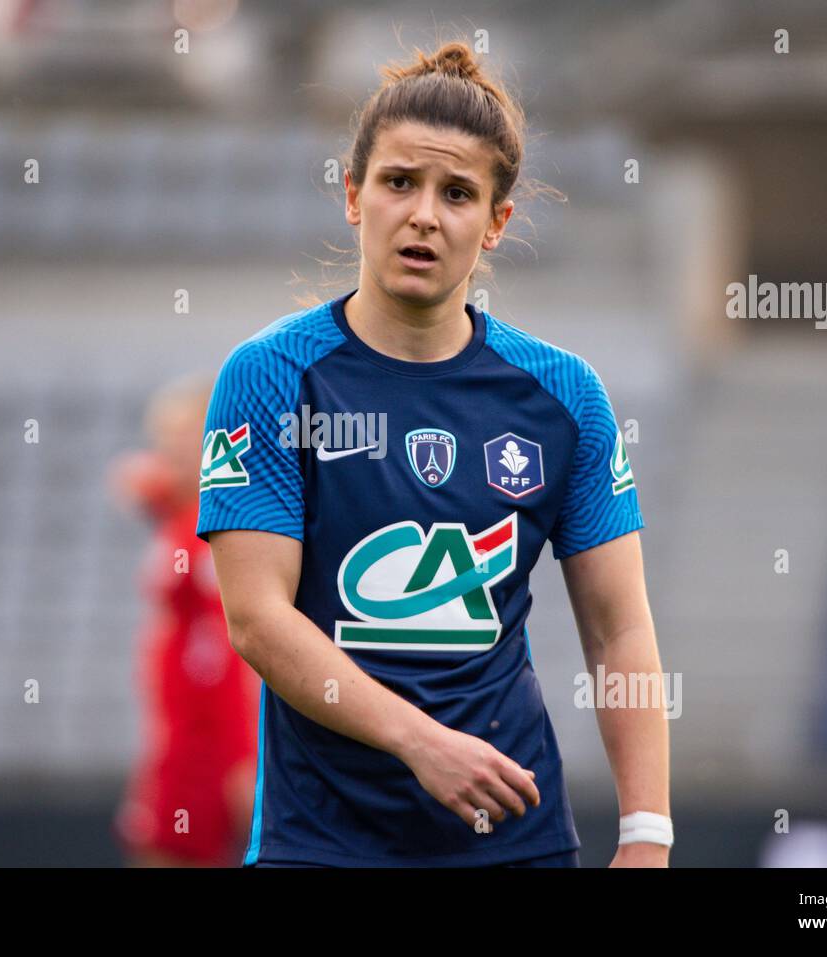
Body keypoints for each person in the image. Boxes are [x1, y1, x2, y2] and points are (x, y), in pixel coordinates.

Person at [197, 40, 671, 867]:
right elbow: (257, 620)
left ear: (496, 223)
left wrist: (646, 834)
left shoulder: (565, 397)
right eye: (398, 182)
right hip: (321, 843)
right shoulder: (269, 378)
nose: (423, 214)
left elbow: (619, 628)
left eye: (457, 193)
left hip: (512, 841)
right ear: (352, 195)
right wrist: (424, 742)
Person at [110, 375, 259, 867]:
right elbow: (138, 479)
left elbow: (246, 646)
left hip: (208, 741)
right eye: (165, 436)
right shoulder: (181, 511)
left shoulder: (222, 528)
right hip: (178, 733)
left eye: (186, 435)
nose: (171, 449)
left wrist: (247, 755)